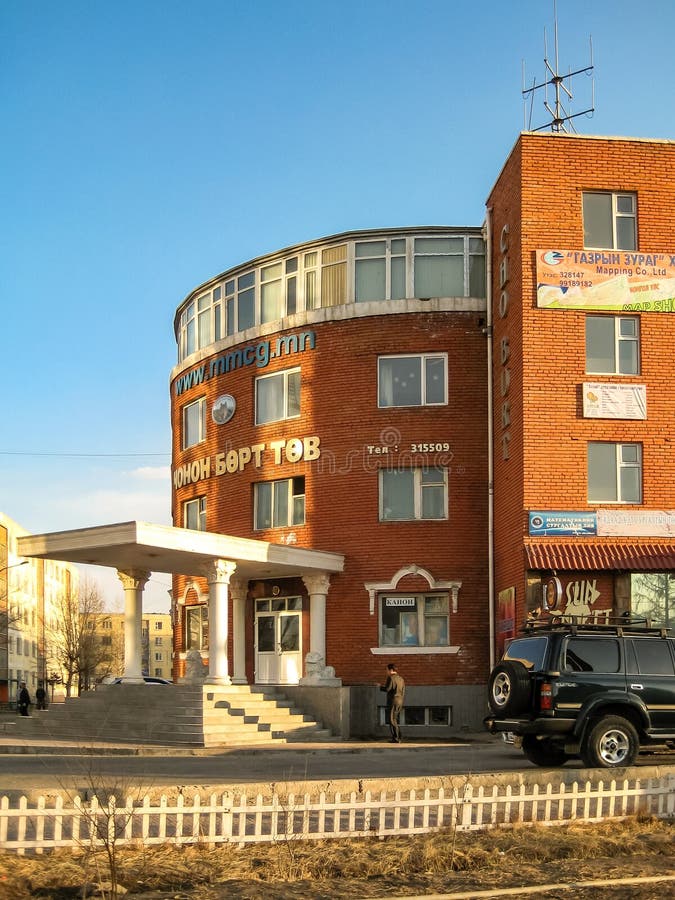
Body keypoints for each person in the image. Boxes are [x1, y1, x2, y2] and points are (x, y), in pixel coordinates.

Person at [380, 662, 405, 743]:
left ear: (391, 670)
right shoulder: (401, 679)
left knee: (391, 720)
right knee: (395, 719)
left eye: (387, 670)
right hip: (400, 700)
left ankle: (396, 738)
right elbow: (403, 691)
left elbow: (387, 689)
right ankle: (399, 736)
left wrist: (380, 687)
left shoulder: (391, 678)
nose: (386, 672)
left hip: (393, 701)